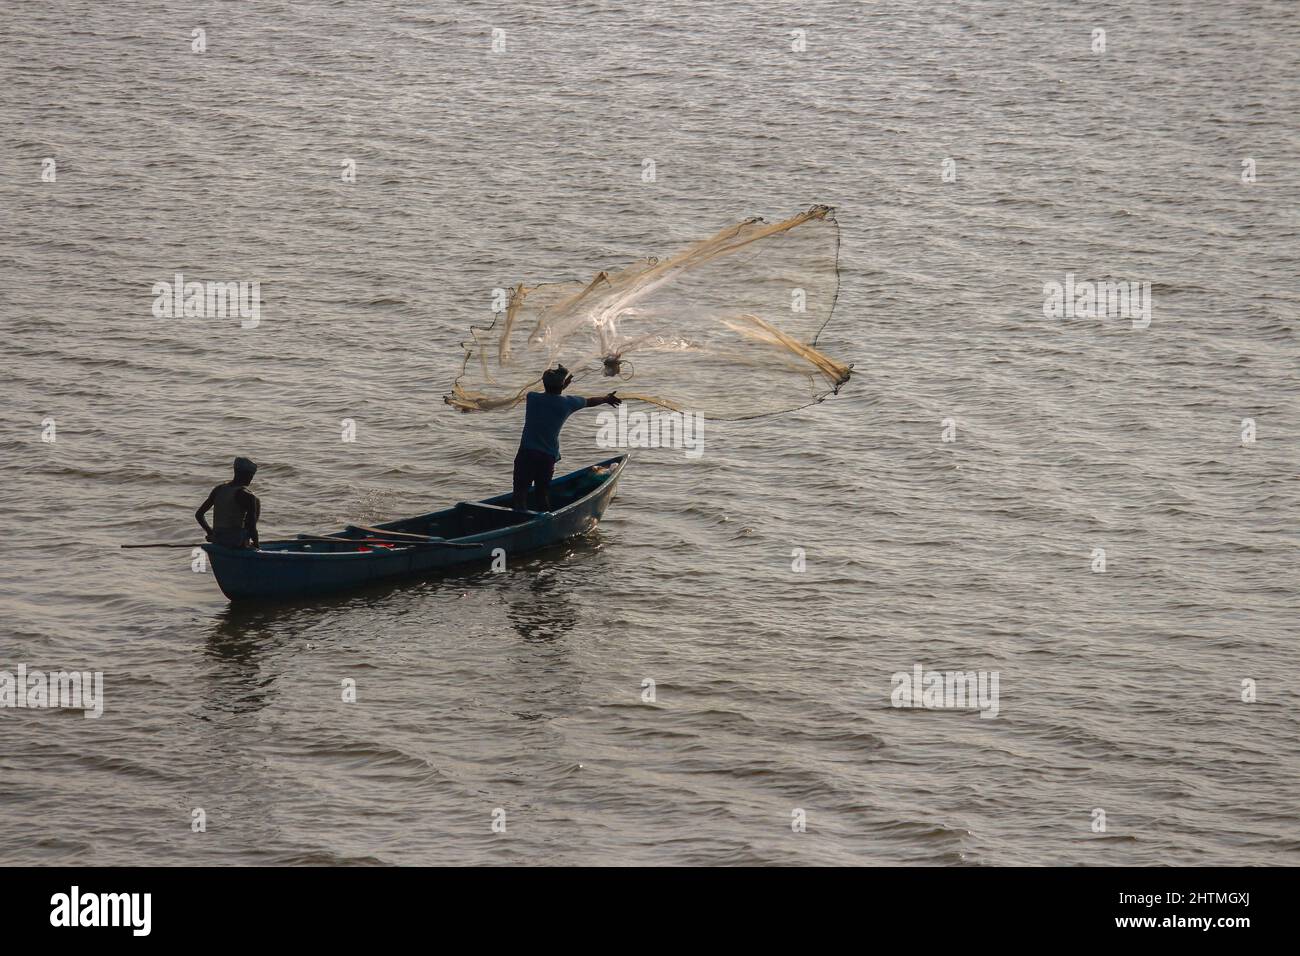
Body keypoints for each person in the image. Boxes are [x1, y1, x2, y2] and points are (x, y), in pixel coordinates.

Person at [514, 366, 620, 511]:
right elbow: (590, 401)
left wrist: (562, 385)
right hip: (546, 457)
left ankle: (519, 518)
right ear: (561, 386)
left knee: (520, 494)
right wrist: (607, 399)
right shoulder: (568, 403)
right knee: (541, 493)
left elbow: (551, 393)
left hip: (526, 454)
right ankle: (545, 522)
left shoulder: (532, 398)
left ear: (544, 383)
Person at [196, 457, 261, 548]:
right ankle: (245, 543)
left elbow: (199, 515)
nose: (251, 479)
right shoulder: (247, 496)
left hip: (218, 539)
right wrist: (257, 545)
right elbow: (251, 526)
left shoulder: (219, 489)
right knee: (256, 501)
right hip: (235, 542)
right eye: (251, 475)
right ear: (247, 475)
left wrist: (211, 533)